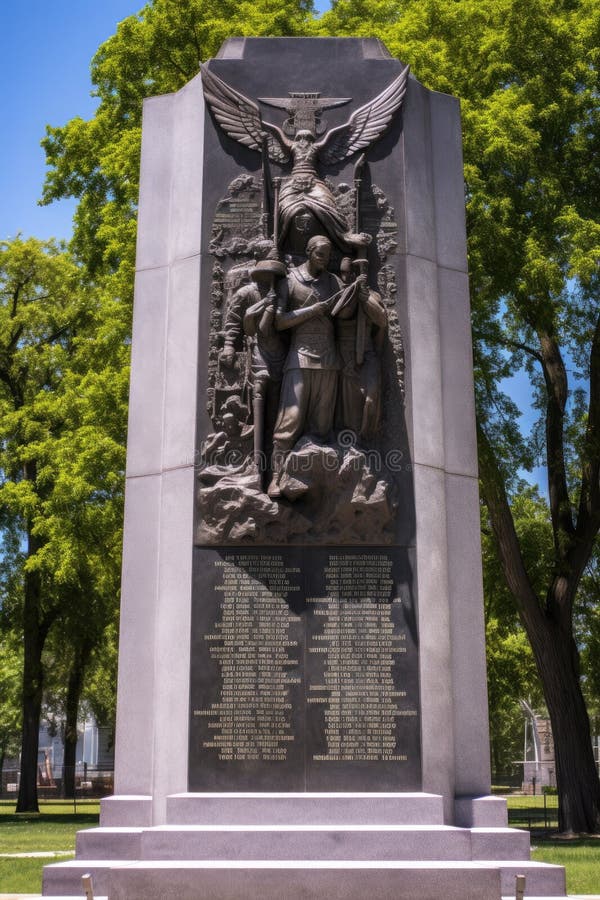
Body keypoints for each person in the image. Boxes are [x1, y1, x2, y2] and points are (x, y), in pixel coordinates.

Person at [267, 235, 344, 498]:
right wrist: (313, 310)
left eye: (328, 254)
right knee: (290, 420)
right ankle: (276, 478)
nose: (325, 258)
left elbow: (345, 312)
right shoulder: (289, 280)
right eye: (321, 253)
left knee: (321, 428)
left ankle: (314, 483)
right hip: (299, 355)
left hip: (329, 359)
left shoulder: (333, 281)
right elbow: (279, 321)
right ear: (309, 252)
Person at [335, 257, 388, 439]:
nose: (346, 276)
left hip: (367, 353)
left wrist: (364, 296)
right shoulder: (337, 294)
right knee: (350, 405)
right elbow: (339, 314)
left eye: (350, 272)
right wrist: (353, 293)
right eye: (343, 273)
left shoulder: (371, 295)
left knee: (371, 397)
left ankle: (367, 436)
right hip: (345, 354)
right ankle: (353, 441)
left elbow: (381, 320)